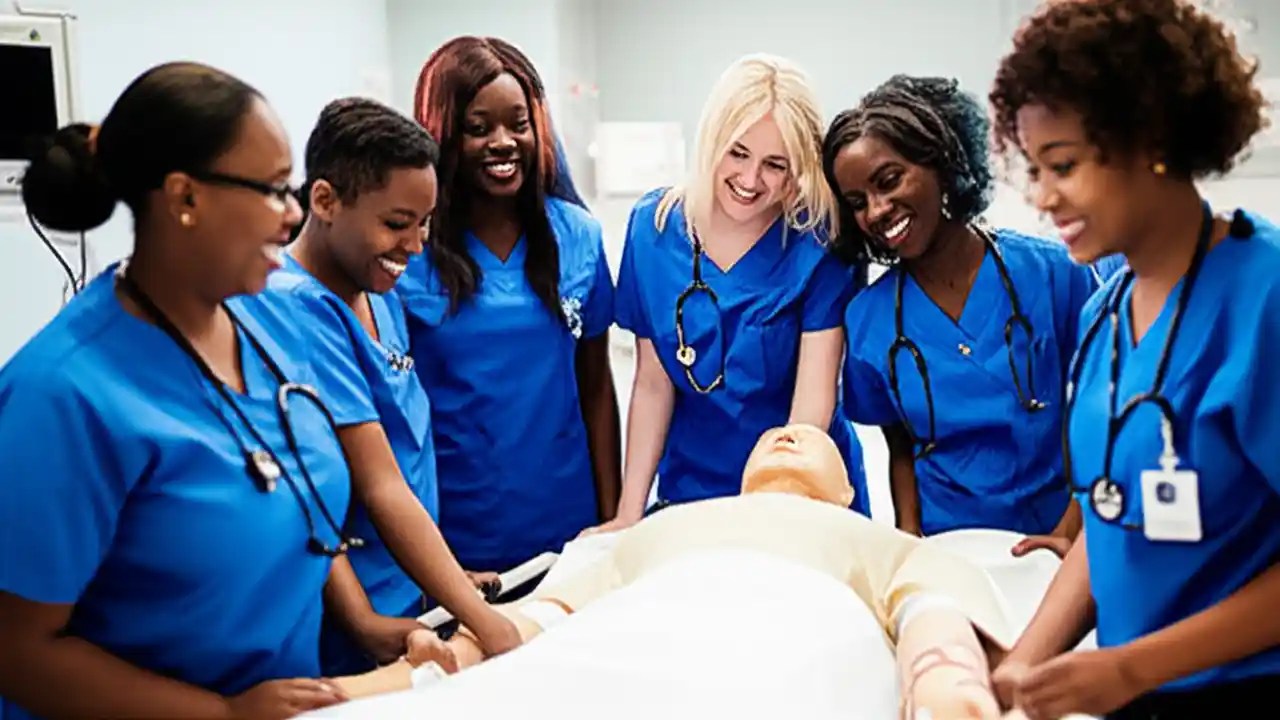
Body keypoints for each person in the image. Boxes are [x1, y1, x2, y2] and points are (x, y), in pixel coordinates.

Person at [0, 62, 353, 719]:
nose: (294, 214)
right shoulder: (63, 395)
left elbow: (295, 494)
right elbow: (17, 651)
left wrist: (364, 621)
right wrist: (220, 714)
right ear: (184, 198)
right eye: (273, 190)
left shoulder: (273, 320)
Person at [986, 1, 1279, 718]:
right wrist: (1020, 666)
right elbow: (1111, 519)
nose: (1043, 197)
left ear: (1150, 137)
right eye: (1032, 169)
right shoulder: (1103, 313)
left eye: (1063, 166)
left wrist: (1131, 668)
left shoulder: (1263, 297)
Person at [329, 424, 1016, 719]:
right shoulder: (662, 528)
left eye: (812, 440)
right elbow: (538, 622)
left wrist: (945, 691)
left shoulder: (866, 537)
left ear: (845, 490)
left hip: (789, 630)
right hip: (638, 629)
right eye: (776, 437)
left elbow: (935, 620)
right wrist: (419, 671)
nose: (788, 433)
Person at [239, 97, 521, 677]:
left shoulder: (375, 293)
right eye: (396, 223)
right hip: (348, 621)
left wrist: (441, 579)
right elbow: (373, 487)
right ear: (324, 201)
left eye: (425, 224)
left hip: (406, 592)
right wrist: (482, 620)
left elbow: (407, 454)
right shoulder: (298, 311)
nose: (416, 246)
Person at [586, 53, 870, 533]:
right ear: (711, 140)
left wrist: (776, 517)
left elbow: (808, 417)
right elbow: (653, 385)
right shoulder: (653, 229)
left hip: (802, 498)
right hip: (692, 496)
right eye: (737, 153)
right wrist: (629, 514)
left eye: (775, 164)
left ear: (798, 167)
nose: (750, 180)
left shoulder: (819, 240)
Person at [822, 75, 1098, 542]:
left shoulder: (1053, 272)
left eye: (889, 181)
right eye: (857, 203)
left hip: (1061, 536)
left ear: (942, 162)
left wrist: (1070, 533)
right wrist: (911, 546)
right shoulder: (868, 319)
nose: (877, 210)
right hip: (951, 545)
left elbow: (1100, 409)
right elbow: (901, 448)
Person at [400, 36, 621, 576]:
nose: (503, 142)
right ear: (443, 135)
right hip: (455, 537)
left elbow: (596, 388)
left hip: (568, 531)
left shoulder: (577, 237)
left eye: (517, 124)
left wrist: (616, 522)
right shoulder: (408, 252)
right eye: (479, 128)